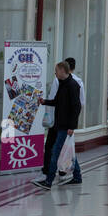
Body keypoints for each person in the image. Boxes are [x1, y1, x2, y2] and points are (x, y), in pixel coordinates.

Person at [34, 61, 81, 189]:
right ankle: (77, 176)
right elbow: (58, 102)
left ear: (62, 70)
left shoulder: (73, 85)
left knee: (56, 152)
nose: (55, 73)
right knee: (67, 151)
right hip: (59, 123)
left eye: (56, 70)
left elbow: (76, 107)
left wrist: (72, 126)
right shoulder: (62, 83)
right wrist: (45, 102)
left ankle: (48, 181)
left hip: (66, 126)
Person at [56, 57, 87, 182]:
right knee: (67, 147)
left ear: (65, 69)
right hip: (67, 121)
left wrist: (71, 123)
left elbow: (77, 104)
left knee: (61, 147)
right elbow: (82, 103)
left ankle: (60, 172)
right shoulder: (78, 82)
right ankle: (71, 173)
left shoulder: (69, 82)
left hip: (64, 121)